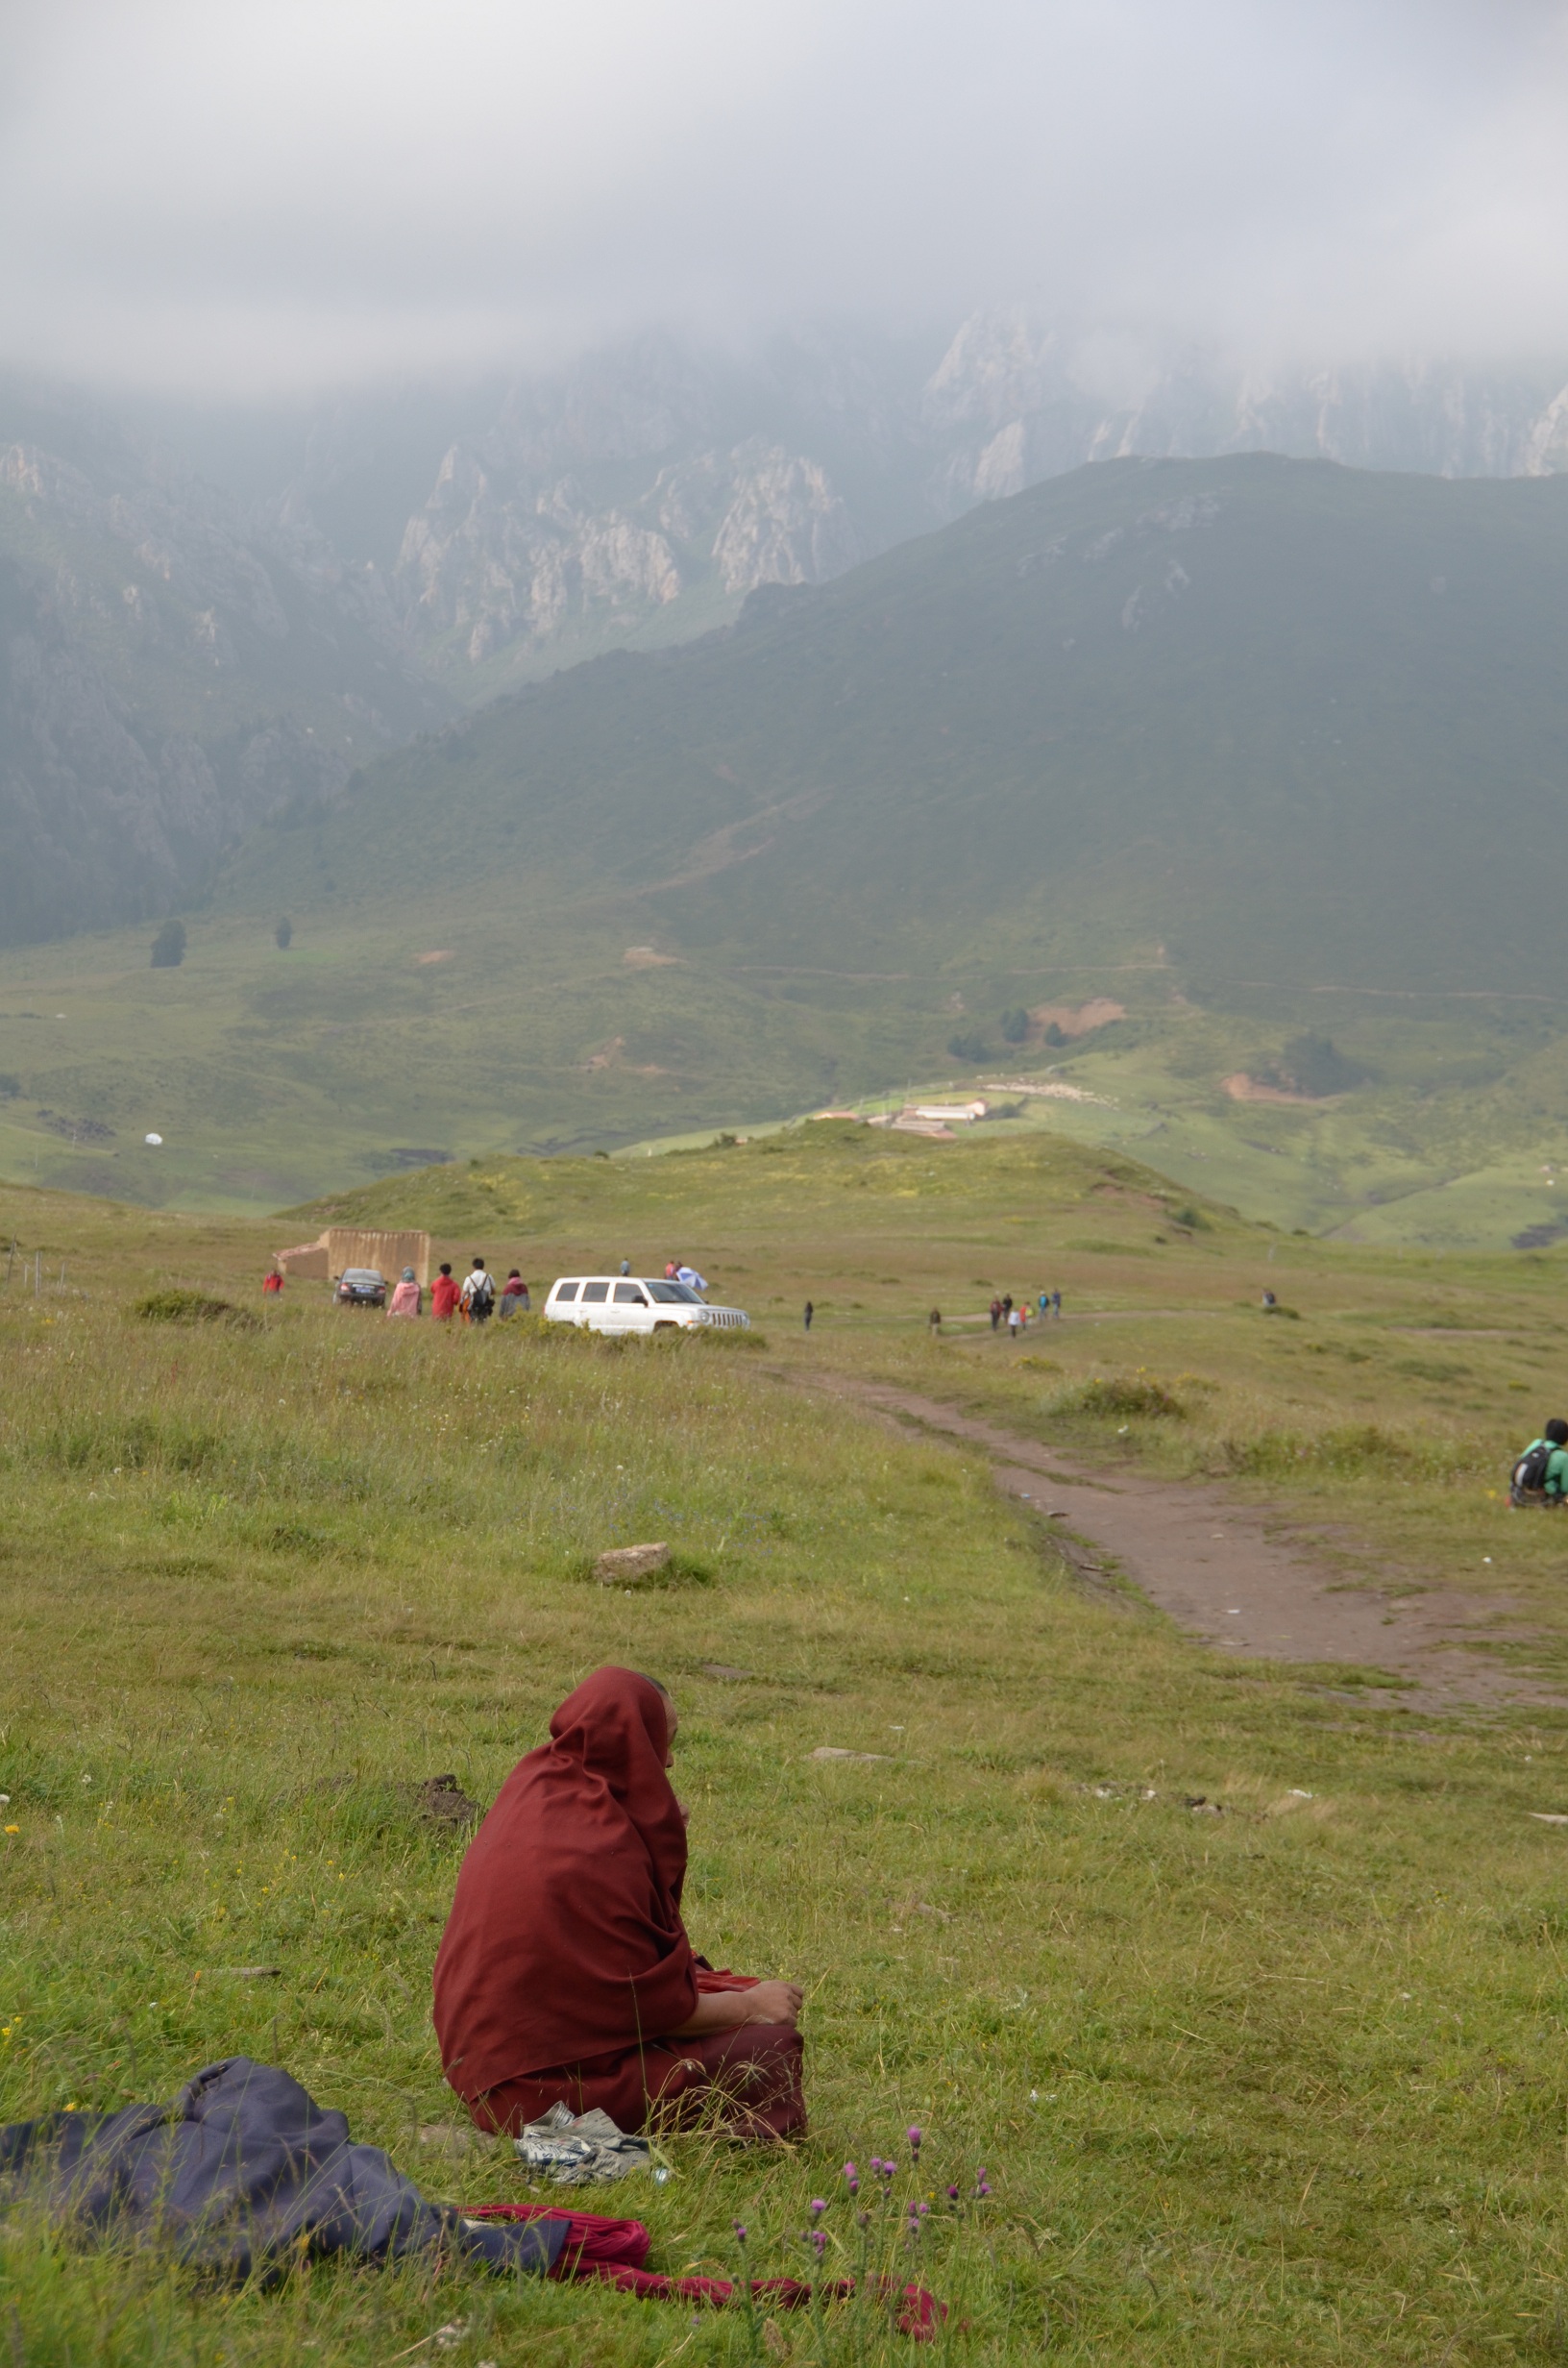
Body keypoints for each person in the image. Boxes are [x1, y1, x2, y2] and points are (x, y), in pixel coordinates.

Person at [432, 1667, 804, 2141]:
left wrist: (649, 1836)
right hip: (532, 2095)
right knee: (770, 2050)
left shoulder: (535, 1781)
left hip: (478, 2064)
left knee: (706, 1977)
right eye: (659, 1742)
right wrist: (750, 2007)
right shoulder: (600, 1848)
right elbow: (644, 2005)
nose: (667, 1761)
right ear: (629, 1740)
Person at [1511, 1418, 1568, 1506]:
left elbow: (1520, 1462)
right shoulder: (1564, 1457)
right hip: (1542, 1500)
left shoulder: (1536, 1443)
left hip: (1518, 1494)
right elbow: (1565, 1487)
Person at [461, 1257, 496, 1323]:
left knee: (472, 1322)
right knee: (483, 1322)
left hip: (473, 1305)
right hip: (485, 1305)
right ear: (483, 1266)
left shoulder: (469, 1278)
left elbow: (463, 1294)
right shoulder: (489, 1277)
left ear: (473, 1266)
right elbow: (493, 1292)